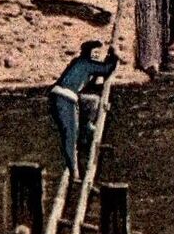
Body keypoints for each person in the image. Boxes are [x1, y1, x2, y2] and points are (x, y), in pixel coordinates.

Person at [48, 40, 120, 174]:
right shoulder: (85, 63)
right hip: (65, 98)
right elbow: (106, 69)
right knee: (70, 135)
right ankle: (73, 171)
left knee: (72, 131)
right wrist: (114, 56)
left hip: (63, 98)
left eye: (98, 53)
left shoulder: (80, 64)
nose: (96, 55)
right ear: (88, 52)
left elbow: (88, 84)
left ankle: (74, 162)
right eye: (94, 52)